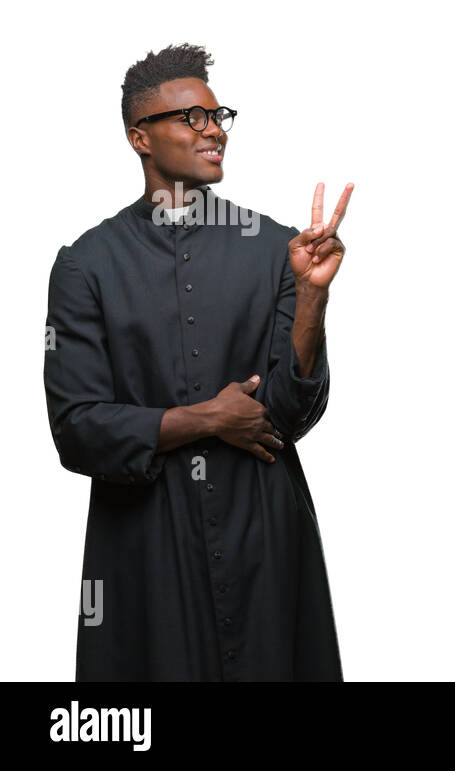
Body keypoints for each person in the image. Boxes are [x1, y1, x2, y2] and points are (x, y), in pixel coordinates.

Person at [43, 43, 354, 681]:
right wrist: (207, 418)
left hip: (263, 528)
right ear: (140, 138)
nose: (213, 131)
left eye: (218, 117)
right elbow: (76, 429)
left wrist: (312, 298)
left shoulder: (275, 246)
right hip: (146, 542)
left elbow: (292, 411)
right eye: (191, 119)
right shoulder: (86, 265)